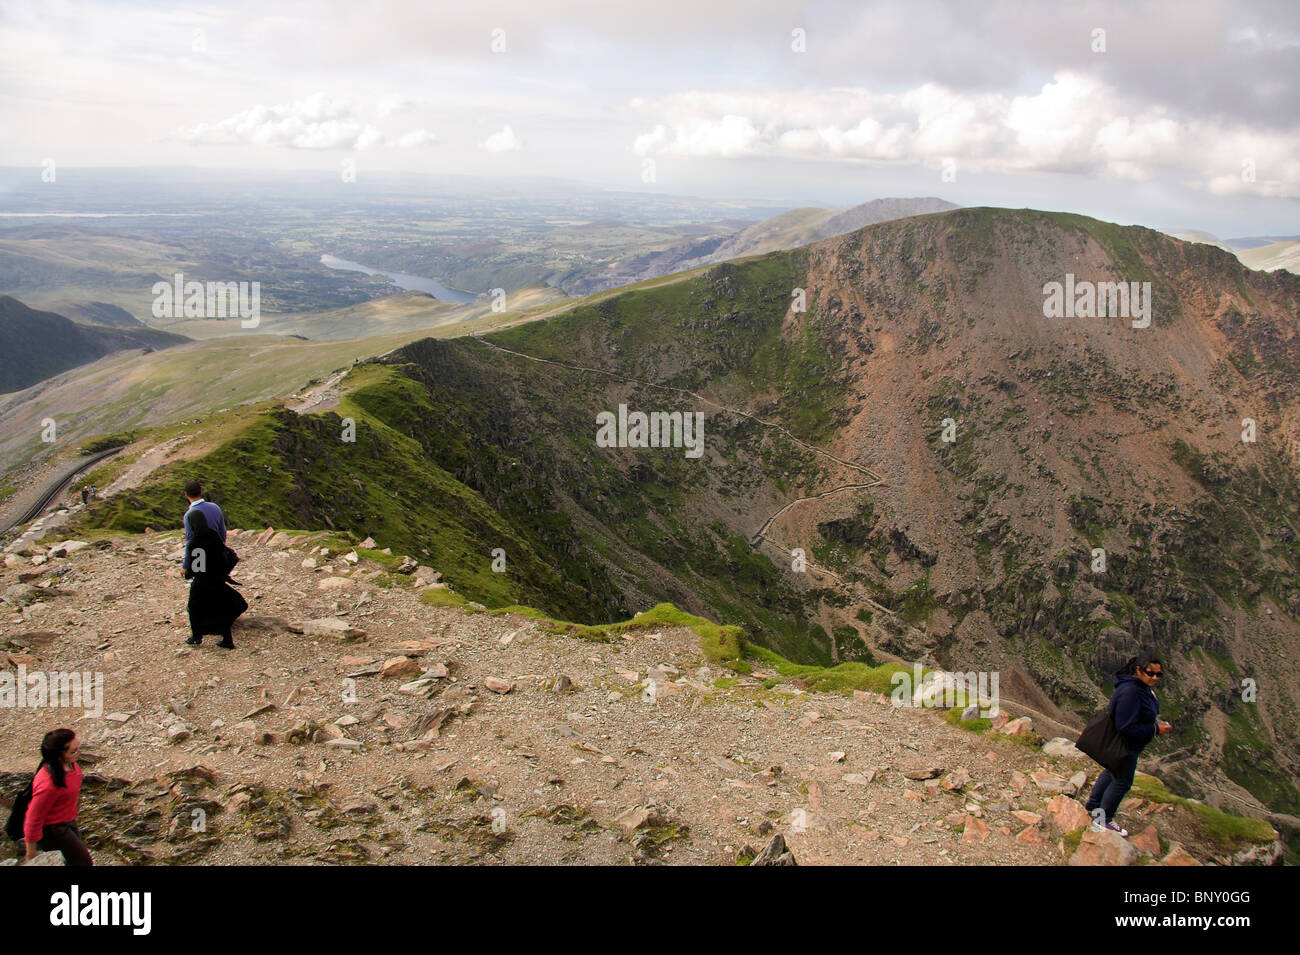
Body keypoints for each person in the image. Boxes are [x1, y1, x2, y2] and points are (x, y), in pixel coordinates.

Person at [1084, 653, 1171, 836]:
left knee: (1111, 772)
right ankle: (1103, 820)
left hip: (1124, 745)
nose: (1155, 677)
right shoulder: (1131, 692)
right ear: (1138, 670)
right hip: (1125, 745)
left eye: (1158, 674)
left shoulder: (1139, 687)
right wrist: (1155, 729)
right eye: (1150, 673)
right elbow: (1125, 726)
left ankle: (1093, 806)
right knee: (1122, 782)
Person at [23, 728, 92, 866]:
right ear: (60, 756)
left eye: (78, 747)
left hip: (68, 821)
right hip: (53, 830)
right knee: (83, 862)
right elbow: (33, 818)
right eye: (73, 751)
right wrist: (31, 854)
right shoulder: (48, 785)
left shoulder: (69, 764)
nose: (79, 753)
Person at [184, 509, 246, 649]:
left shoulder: (195, 542)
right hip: (217, 580)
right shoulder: (213, 535)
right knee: (220, 608)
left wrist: (187, 574)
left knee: (193, 608)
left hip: (203, 583)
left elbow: (196, 568)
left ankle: (196, 636)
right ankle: (227, 640)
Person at [181, 480, 226, 576]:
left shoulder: (188, 515)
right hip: (217, 552)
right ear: (201, 491)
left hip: (199, 556)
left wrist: (185, 566)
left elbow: (190, 542)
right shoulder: (215, 507)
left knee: (201, 585)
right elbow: (222, 532)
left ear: (186, 494)